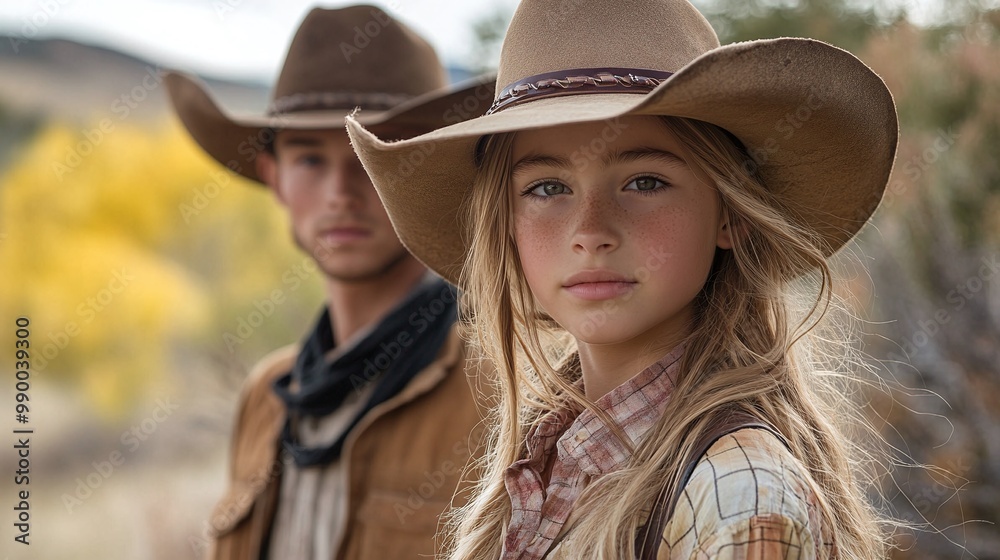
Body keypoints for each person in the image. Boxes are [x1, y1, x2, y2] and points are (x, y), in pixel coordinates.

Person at [346, 0, 899, 557]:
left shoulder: (737, 496)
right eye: (547, 188)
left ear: (730, 212)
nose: (590, 232)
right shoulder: (550, 460)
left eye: (644, 182)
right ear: (505, 226)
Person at [165, 6, 493, 559]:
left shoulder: (503, 391)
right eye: (311, 159)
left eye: (372, 158)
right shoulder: (268, 395)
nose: (341, 192)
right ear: (275, 179)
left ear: (432, 170)